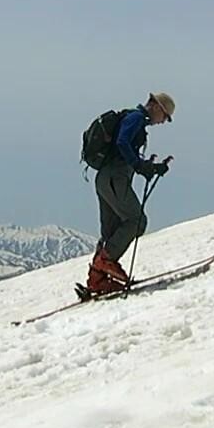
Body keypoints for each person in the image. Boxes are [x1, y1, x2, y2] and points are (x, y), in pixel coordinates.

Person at [86, 92, 176, 294]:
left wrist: (148, 166)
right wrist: (140, 166)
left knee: (111, 230)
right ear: (156, 106)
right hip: (115, 178)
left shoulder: (133, 119)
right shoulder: (136, 117)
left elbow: (124, 149)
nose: (163, 121)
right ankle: (104, 262)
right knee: (137, 221)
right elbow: (122, 142)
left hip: (105, 179)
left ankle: (96, 279)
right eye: (165, 116)